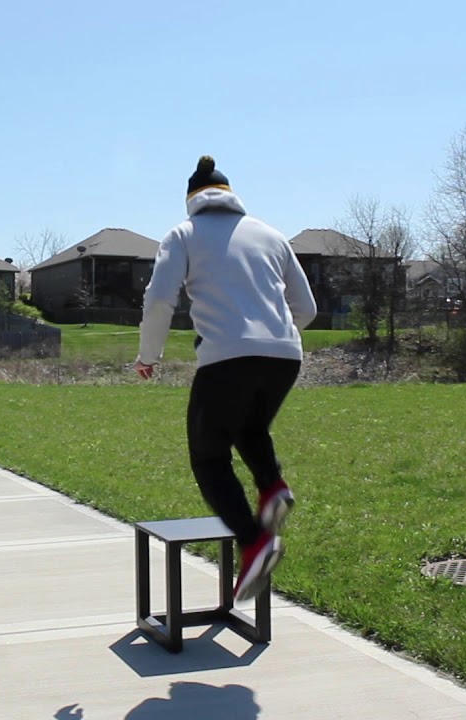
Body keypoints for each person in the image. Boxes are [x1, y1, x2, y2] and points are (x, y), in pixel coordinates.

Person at [135, 155, 317, 603]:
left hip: (226, 357)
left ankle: (255, 542)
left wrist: (148, 356)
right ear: (232, 195)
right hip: (285, 355)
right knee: (249, 427)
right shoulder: (271, 235)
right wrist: (273, 334)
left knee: (209, 457)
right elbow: (307, 308)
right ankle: (272, 485)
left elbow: (159, 300)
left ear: (191, 201)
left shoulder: (184, 235)